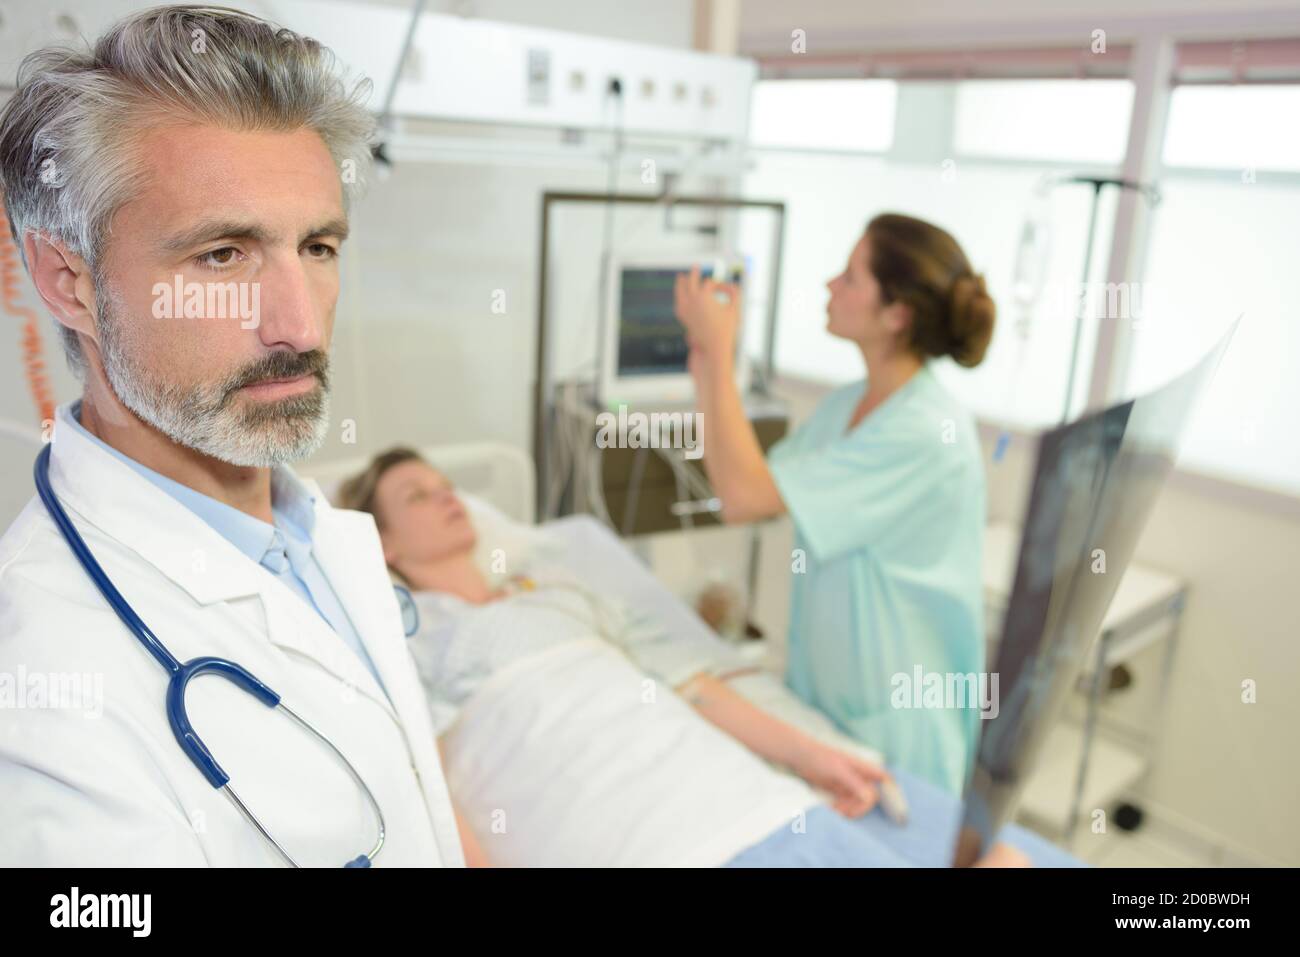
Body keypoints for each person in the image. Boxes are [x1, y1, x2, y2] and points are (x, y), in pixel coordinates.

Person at [0, 5, 464, 866]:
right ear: (68, 281)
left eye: (318, 246)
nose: (298, 325)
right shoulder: (40, 703)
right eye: (223, 255)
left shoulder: (312, 538)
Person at [337, 447, 1031, 867]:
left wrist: (809, 754)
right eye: (416, 497)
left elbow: (688, 685)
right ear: (383, 544)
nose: (446, 498)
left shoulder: (560, 590)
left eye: (444, 484)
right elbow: (425, 780)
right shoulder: (404, 638)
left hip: (757, 802)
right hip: (643, 844)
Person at [673, 214, 996, 795]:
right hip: (827, 700)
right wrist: (706, 362)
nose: (830, 287)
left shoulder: (924, 430)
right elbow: (740, 494)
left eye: (849, 278)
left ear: (896, 314)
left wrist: (722, 353)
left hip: (899, 722)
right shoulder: (849, 406)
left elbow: (747, 497)